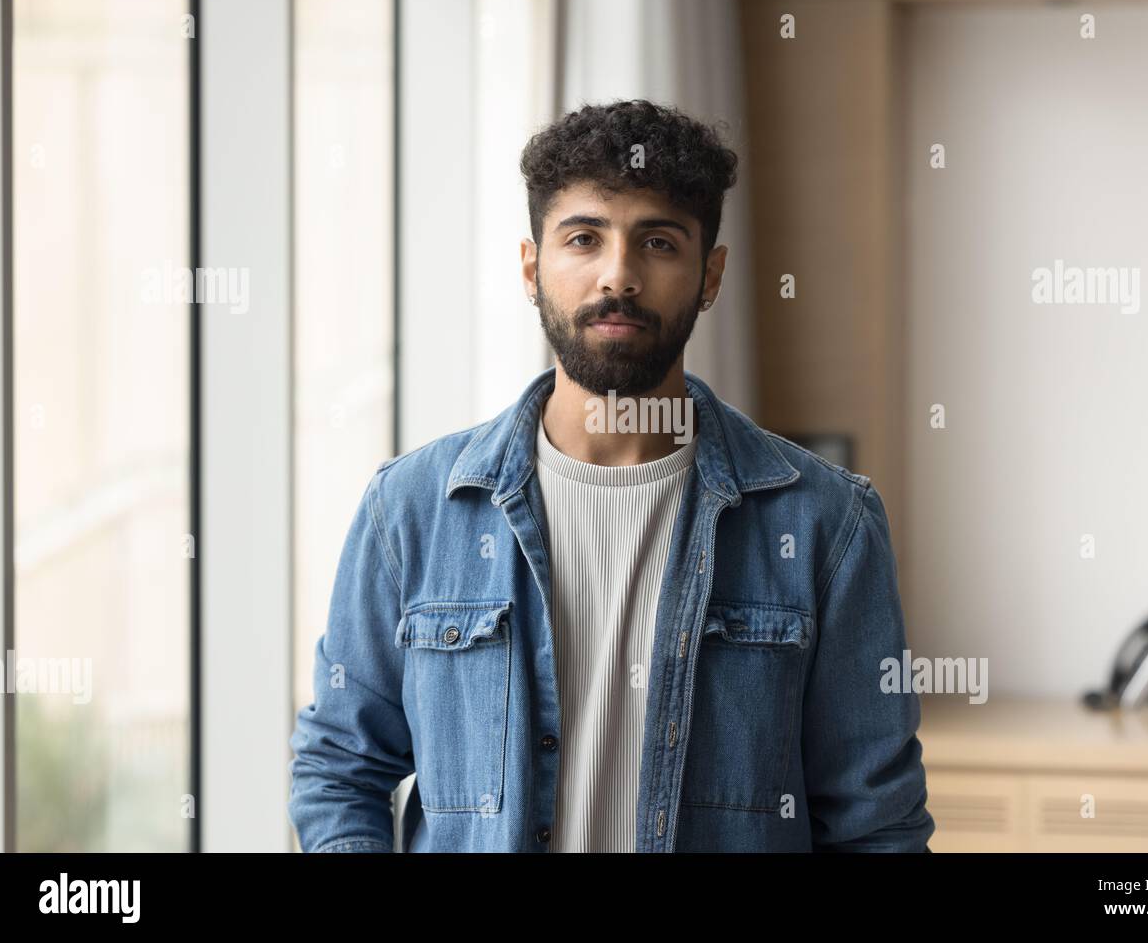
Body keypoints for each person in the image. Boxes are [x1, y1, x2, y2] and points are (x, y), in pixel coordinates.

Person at [288, 98, 934, 853]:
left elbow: (876, 827)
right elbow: (339, 769)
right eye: (583, 238)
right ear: (532, 268)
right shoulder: (411, 510)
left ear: (710, 274)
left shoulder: (825, 523)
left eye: (657, 242)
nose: (618, 275)